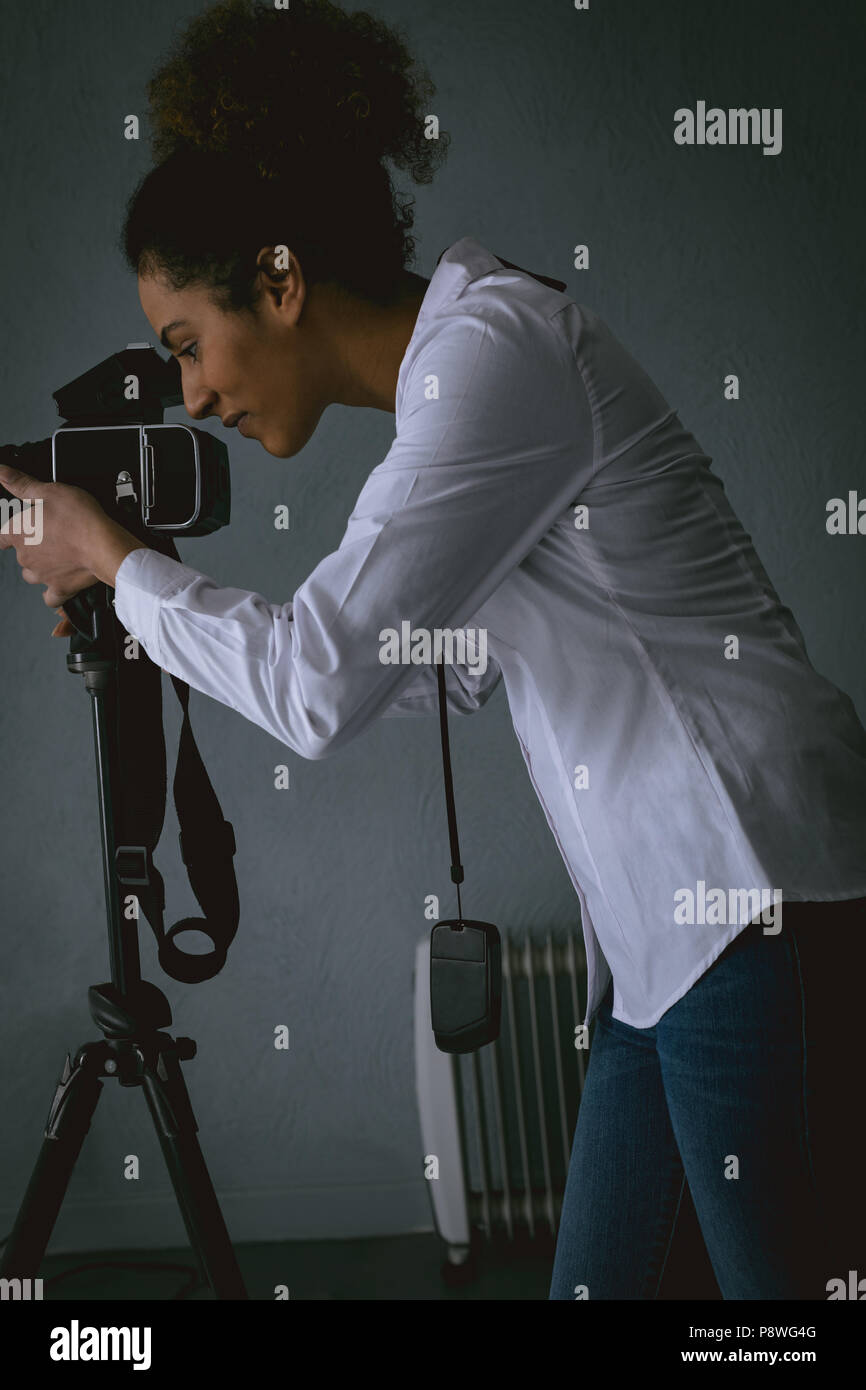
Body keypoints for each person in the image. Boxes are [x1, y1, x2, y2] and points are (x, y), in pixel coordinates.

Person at [1, 0, 864, 1301]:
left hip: (749, 892)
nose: (191, 396)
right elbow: (429, 663)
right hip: (664, 933)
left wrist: (119, 562)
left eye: (188, 345)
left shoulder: (492, 357)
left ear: (279, 281)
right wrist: (144, 604)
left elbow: (319, 682)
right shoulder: (454, 383)